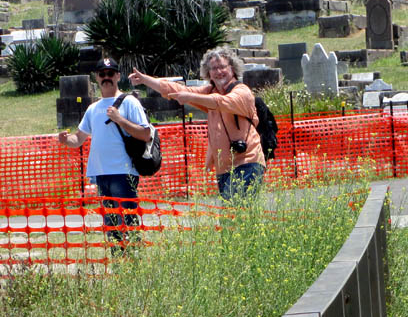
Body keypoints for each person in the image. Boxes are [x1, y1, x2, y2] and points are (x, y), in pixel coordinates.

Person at [130, 46, 265, 200]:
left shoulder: (242, 91)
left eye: (222, 67)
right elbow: (175, 89)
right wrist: (145, 79)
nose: (218, 71)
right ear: (208, 73)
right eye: (214, 68)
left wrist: (191, 98)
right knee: (233, 215)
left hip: (247, 162)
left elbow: (222, 102)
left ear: (233, 69)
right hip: (224, 168)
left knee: (235, 211)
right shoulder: (210, 92)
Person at [58, 57, 152, 243]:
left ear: (118, 76)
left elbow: (145, 134)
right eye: (102, 74)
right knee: (111, 226)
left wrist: (120, 119)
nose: (106, 77)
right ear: (96, 78)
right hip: (101, 174)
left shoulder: (129, 102)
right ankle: (118, 265)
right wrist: (65, 140)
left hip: (124, 172)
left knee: (128, 223)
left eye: (110, 73)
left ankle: (134, 262)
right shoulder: (93, 108)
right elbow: (78, 138)